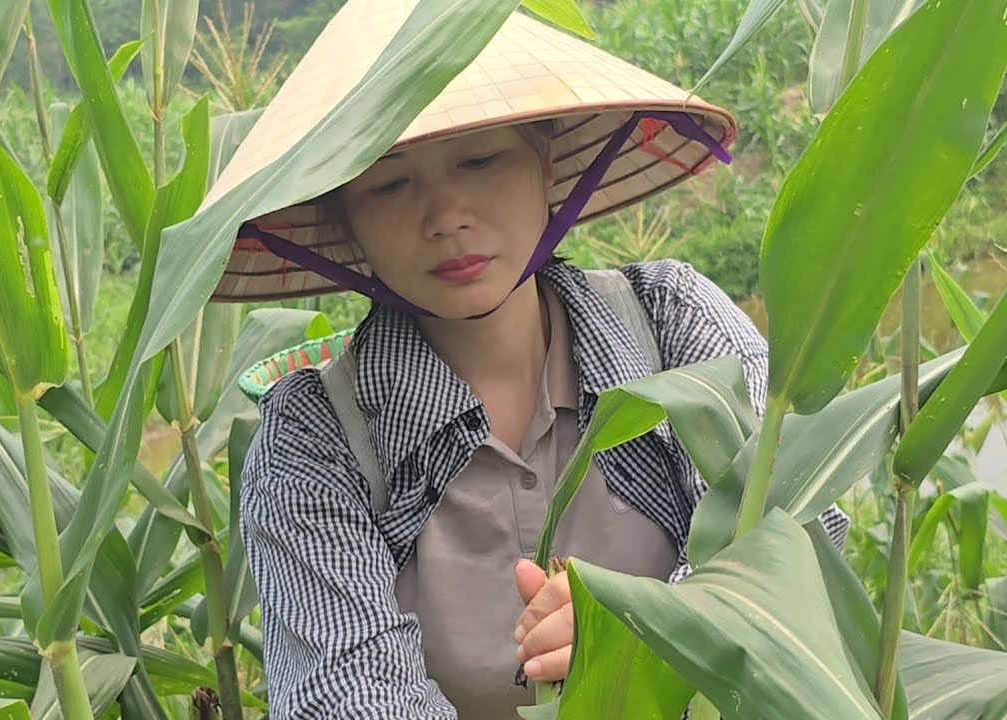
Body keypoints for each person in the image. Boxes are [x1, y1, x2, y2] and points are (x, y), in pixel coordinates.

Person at [207, 2, 850, 717]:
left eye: (481, 158)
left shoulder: (672, 321)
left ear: (545, 161)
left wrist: (649, 634)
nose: (446, 215)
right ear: (343, 216)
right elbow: (347, 695)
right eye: (389, 183)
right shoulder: (314, 441)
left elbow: (794, 540)